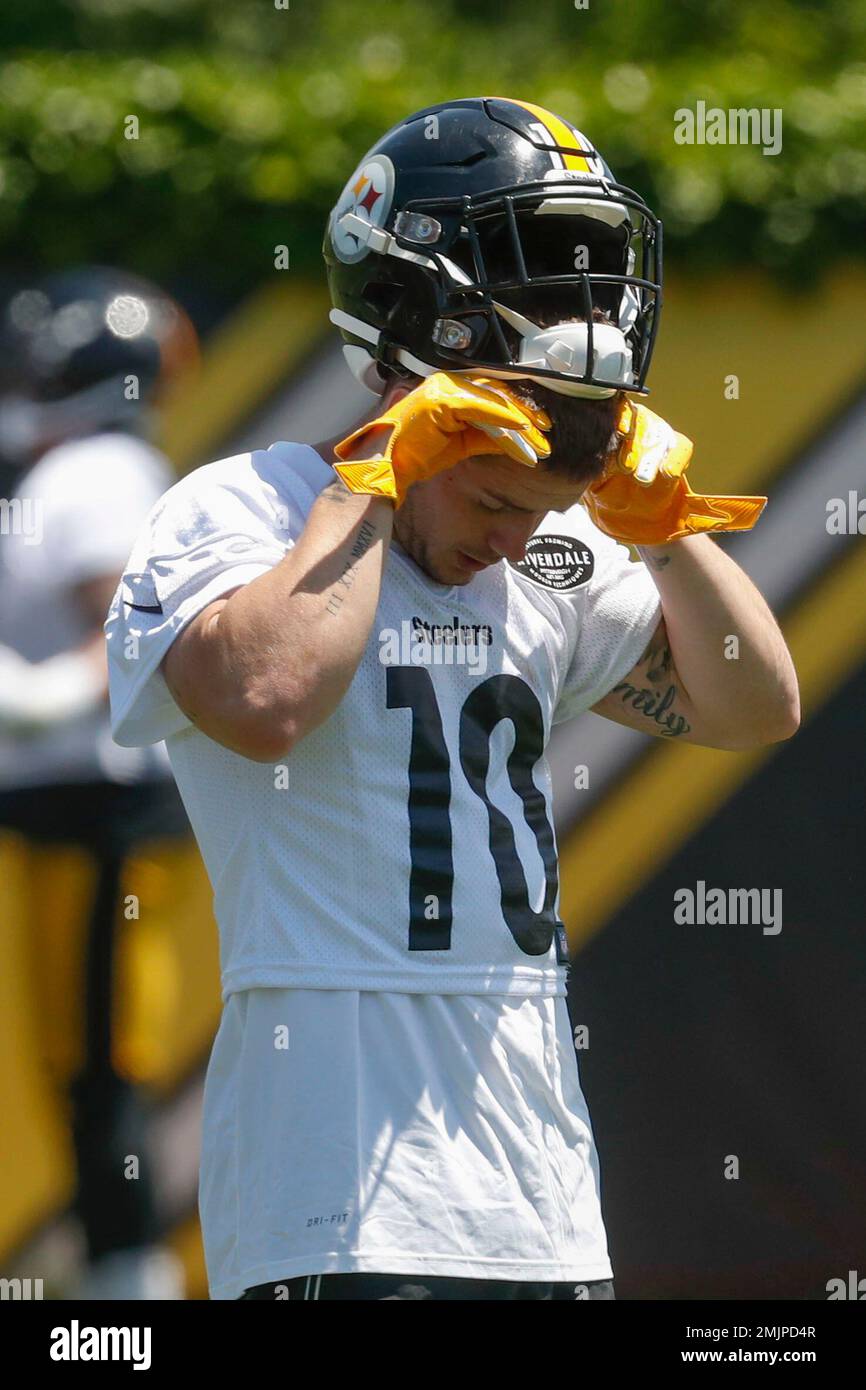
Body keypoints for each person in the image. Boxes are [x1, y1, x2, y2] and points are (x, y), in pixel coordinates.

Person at [106, 99, 799, 1301]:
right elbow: (266, 699)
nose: (511, 539)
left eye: (534, 512)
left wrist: (670, 532)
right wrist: (377, 476)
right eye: (489, 504)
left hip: (539, 1190)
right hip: (339, 1194)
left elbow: (751, 709)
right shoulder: (241, 511)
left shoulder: (543, 545)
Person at [0, 267, 199, 1299]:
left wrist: (30, 700)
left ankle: (131, 1287)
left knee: (103, 1061)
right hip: (63, 814)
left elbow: (120, 638)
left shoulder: (96, 474)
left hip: (101, 810)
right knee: (73, 1060)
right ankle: (117, 1271)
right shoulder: (73, 470)